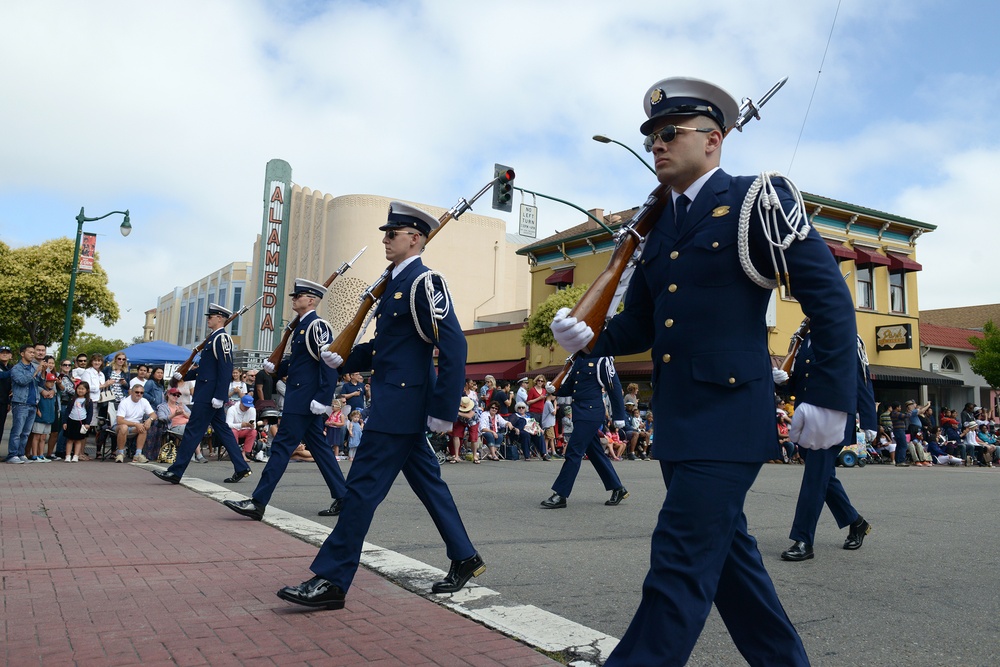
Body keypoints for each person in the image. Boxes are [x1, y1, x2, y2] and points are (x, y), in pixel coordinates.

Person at [549, 76, 856, 666]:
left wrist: (830, 397)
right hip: (681, 422)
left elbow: (829, 298)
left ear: (713, 139)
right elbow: (639, 323)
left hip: (729, 418)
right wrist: (587, 338)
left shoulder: (758, 199)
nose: (656, 144)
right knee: (733, 571)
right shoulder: (657, 224)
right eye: (651, 136)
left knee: (678, 566)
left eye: (670, 133)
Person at [277, 201, 484, 609]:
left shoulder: (425, 281)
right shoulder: (393, 285)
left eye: (392, 234)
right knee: (429, 485)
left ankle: (332, 579)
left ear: (415, 238)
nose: (385, 240)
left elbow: (453, 344)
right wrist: (345, 359)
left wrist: (445, 408)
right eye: (385, 234)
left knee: (360, 491)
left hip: (402, 405)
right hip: (394, 400)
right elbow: (386, 348)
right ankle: (465, 556)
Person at [224, 278, 348, 521]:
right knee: (321, 450)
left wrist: (323, 398)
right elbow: (302, 363)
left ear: (311, 300)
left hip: (305, 400)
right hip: (300, 397)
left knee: (280, 448)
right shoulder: (301, 326)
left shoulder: (317, 325)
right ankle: (344, 495)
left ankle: (258, 502)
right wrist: (278, 366)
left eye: (298, 295)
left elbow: (329, 363)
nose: (293, 298)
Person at [778, 334, 876, 562]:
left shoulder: (845, 334)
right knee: (823, 478)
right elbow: (801, 381)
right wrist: (782, 380)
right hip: (807, 420)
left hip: (833, 418)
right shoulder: (801, 338)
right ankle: (857, 523)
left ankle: (803, 539)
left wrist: (869, 419)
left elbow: (860, 378)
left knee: (814, 477)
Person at [152, 304, 252, 485]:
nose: (208, 318)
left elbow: (225, 368)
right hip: (208, 393)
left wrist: (220, 396)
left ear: (220, 318)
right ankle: (242, 467)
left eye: (212, 316)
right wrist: (184, 374)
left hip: (209, 396)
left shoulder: (222, 339)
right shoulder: (212, 339)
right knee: (223, 431)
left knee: (192, 432)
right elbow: (205, 370)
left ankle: (176, 471)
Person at [540, 355, 629, 508]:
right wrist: (555, 389)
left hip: (591, 413)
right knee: (595, 453)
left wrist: (619, 416)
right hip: (580, 413)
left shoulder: (602, 360)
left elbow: (614, 387)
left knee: (573, 451)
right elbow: (572, 387)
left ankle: (560, 494)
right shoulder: (579, 359)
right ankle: (618, 488)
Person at [6, 345, 38, 463]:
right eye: (30, 352)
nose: (32, 354)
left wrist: (43, 372)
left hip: (32, 404)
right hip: (20, 403)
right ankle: (12, 455)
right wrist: (36, 371)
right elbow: (22, 381)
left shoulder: (34, 367)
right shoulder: (16, 368)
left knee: (26, 432)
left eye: (33, 352)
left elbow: (41, 382)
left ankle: (21, 453)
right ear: (22, 354)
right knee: (17, 431)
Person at [114, 384, 155, 463]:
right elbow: (119, 420)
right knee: (124, 427)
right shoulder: (124, 402)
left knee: (144, 428)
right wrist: (136, 424)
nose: (139, 394)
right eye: (137, 392)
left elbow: (153, 414)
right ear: (131, 392)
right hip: (119, 426)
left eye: (141, 393)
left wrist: (150, 419)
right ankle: (120, 453)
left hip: (134, 427)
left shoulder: (144, 401)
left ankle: (138, 454)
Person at [28, 373, 58, 461]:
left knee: (44, 437)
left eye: (53, 382)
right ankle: (34, 454)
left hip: (49, 418)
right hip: (40, 417)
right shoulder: (40, 391)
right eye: (49, 382)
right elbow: (35, 402)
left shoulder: (53, 393)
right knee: (37, 436)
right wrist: (38, 412)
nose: (51, 384)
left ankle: (41, 455)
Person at [63, 381, 93, 462]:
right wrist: (65, 422)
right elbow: (67, 410)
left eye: (83, 389)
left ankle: (76, 455)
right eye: (79, 389)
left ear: (87, 390)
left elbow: (90, 413)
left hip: (81, 421)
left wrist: (87, 423)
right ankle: (68, 455)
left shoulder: (89, 401)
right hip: (71, 420)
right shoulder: (73, 399)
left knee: (78, 440)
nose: (80, 391)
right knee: (70, 439)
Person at [227, 394, 257, 461]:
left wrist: (252, 426)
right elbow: (228, 425)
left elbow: (254, 425)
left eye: (248, 406)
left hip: (245, 430)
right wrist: (241, 425)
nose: (247, 408)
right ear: (241, 402)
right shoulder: (232, 409)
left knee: (253, 432)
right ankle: (235, 453)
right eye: (245, 406)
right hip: (235, 430)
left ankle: (244, 453)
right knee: (233, 431)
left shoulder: (252, 410)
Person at [0, 345, 13, 444]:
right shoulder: (12, 370)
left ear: (10, 356)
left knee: (1, 428)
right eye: (2, 352)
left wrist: (9, 401)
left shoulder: (9, 367)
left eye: (7, 353)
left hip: (4, 402)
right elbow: (2, 375)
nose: (4, 354)